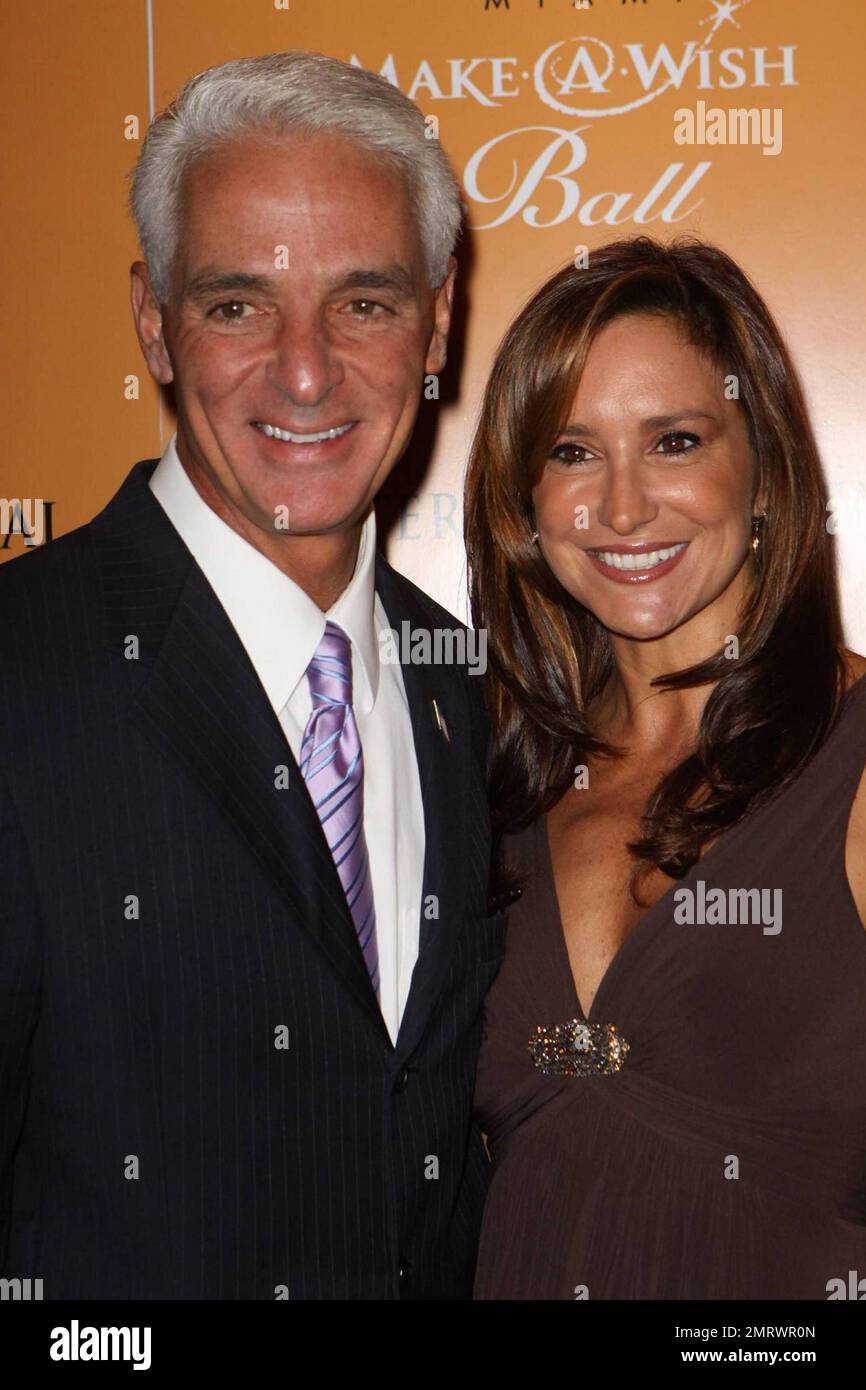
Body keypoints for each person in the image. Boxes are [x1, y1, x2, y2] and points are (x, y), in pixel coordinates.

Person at [0, 50, 502, 1300]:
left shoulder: (474, 691)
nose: (305, 371)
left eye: (364, 303)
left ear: (436, 323)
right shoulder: (20, 672)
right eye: (236, 305)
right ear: (152, 323)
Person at [464, 235, 866, 1300]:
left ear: (765, 462)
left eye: (674, 440)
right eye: (570, 451)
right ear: (522, 497)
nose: (623, 507)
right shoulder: (491, 782)